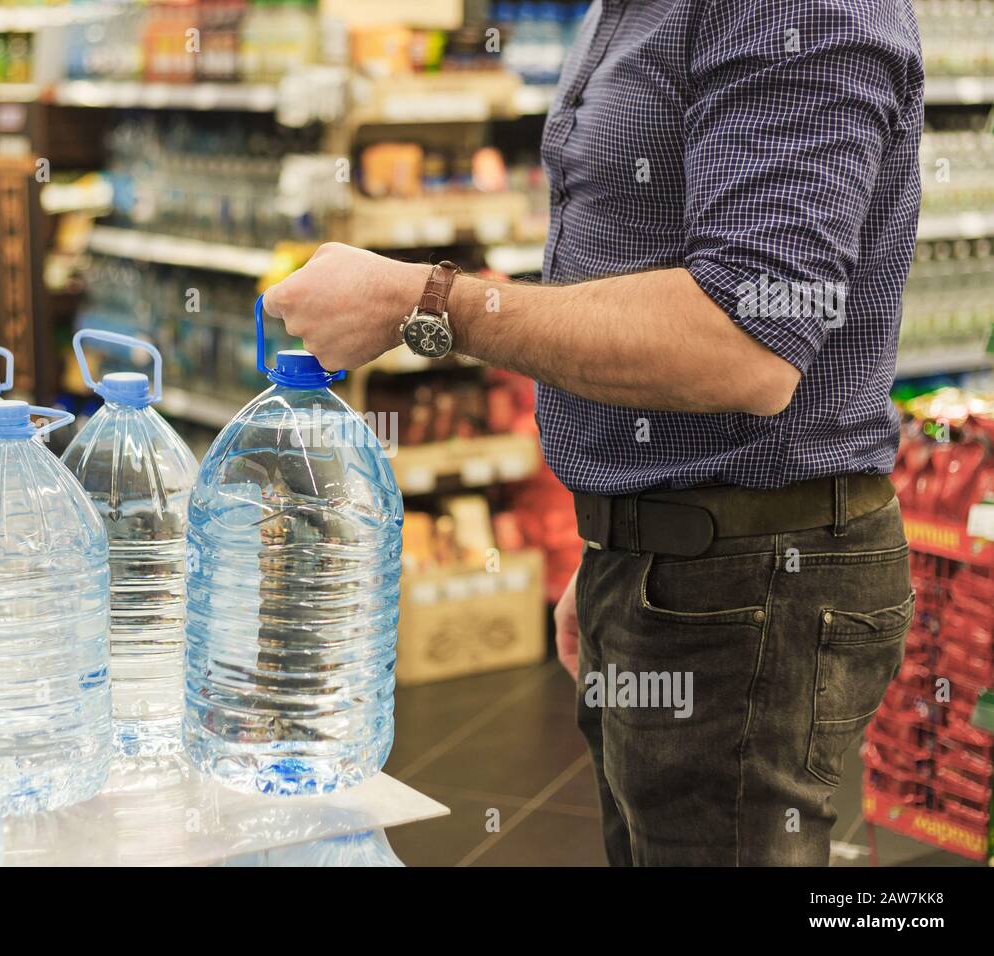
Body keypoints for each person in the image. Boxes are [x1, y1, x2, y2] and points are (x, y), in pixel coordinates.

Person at [261, 0, 924, 865]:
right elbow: (634, 260)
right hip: (676, 557)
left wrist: (426, 302)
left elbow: (745, 340)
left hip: (756, 579)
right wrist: (625, 529)